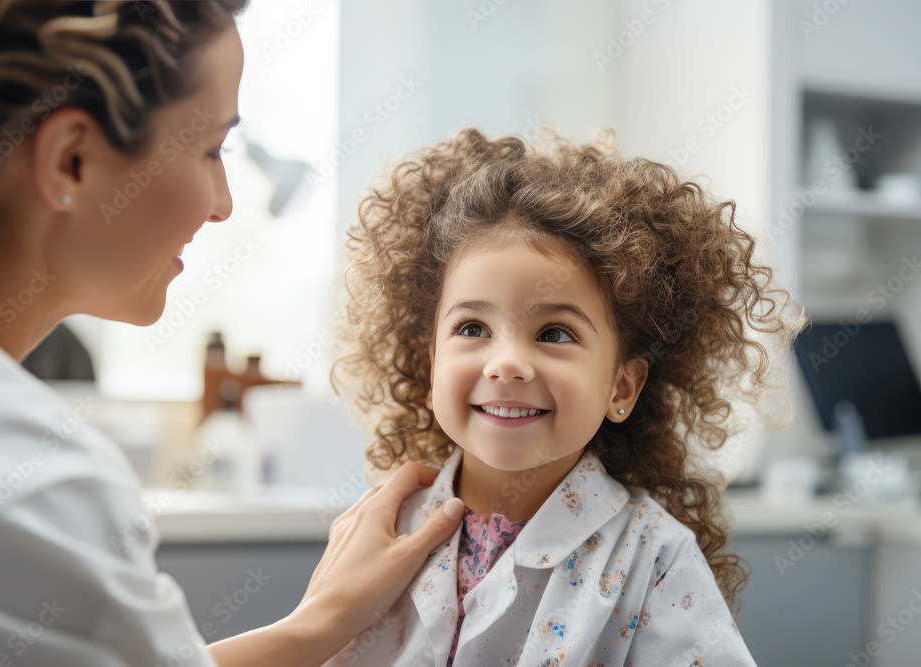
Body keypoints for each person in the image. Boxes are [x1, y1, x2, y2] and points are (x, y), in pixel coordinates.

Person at [0, 2, 464, 665]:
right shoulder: (28, 484)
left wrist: (316, 624)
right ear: (71, 159)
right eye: (213, 149)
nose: (223, 202)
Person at [327, 126, 807, 665]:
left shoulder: (655, 560)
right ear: (432, 363)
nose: (506, 362)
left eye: (555, 333)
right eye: (472, 328)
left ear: (621, 387)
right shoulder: (380, 530)